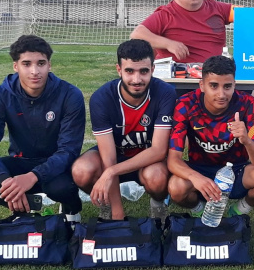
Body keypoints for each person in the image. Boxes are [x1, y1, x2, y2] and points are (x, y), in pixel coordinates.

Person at [0, 35, 84, 223]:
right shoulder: (2, 95)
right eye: (26, 64)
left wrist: (33, 176)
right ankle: (22, 206)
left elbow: (69, 150)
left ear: (49, 65)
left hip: (55, 166)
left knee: (64, 188)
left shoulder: (69, 95)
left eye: (41, 63)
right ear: (15, 66)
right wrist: (7, 183)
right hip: (20, 160)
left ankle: (70, 211)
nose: (35, 71)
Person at [71, 39, 176, 220]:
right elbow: (108, 158)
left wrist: (111, 172)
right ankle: (107, 203)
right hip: (116, 154)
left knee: (157, 177)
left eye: (143, 71)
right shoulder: (101, 98)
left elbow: (158, 150)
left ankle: (157, 203)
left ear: (152, 69)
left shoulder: (165, 93)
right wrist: (117, 212)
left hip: (148, 158)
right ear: (119, 70)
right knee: (81, 171)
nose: (137, 79)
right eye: (129, 71)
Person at [167, 55, 254, 217]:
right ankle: (200, 211)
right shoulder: (186, 104)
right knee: (176, 187)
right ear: (202, 85)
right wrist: (196, 177)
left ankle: (237, 212)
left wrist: (246, 140)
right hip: (200, 168)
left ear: (234, 85)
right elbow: (173, 160)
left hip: (236, 170)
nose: (221, 94)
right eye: (213, 86)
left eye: (227, 86)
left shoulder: (248, 104)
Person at [131, 0, 254, 102]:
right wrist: (169, 44)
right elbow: (136, 35)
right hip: (180, 79)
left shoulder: (217, 8)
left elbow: (247, 15)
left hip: (216, 75)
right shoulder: (165, 14)